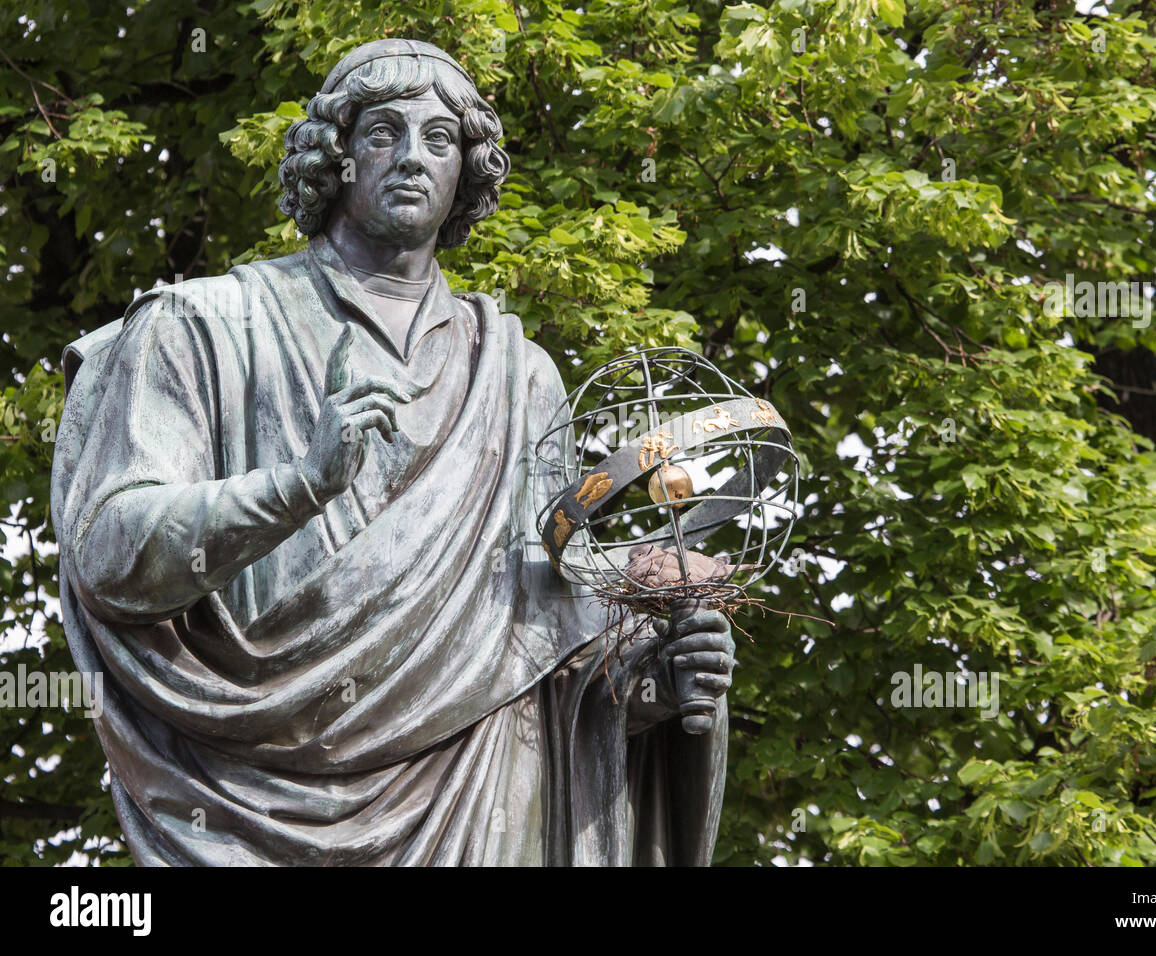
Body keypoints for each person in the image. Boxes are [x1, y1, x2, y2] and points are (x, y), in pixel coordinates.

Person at [50, 38, 735, 866]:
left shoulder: (518, 376)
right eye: (382, 132)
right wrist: (298, 485)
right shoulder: (205, 325)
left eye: (440, 139)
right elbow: (110, 554)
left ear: (467, 174)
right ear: (335, 158)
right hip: (249, 803)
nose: (412, 156)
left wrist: (660, 684)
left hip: (484, 794)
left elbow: (550, 648)